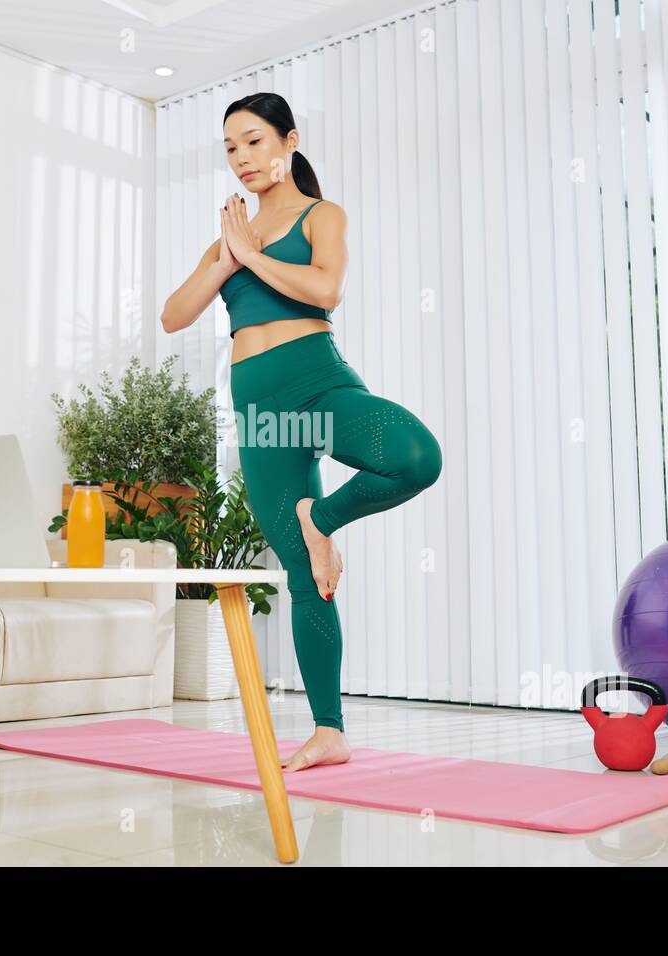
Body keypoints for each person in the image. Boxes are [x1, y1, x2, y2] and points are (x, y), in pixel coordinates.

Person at [160, 92, 443, 772]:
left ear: (288, 143)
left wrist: (252, 257)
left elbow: (325, 289)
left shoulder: (324, 215)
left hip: (317, 383)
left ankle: (325, 517)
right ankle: (329, 730)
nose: (242, 158)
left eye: (254, 141)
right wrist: (227, 259)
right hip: (260, 411)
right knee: (303, 576)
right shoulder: (228, 240)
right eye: (230, 148)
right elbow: (174, 315)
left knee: (414, 456)